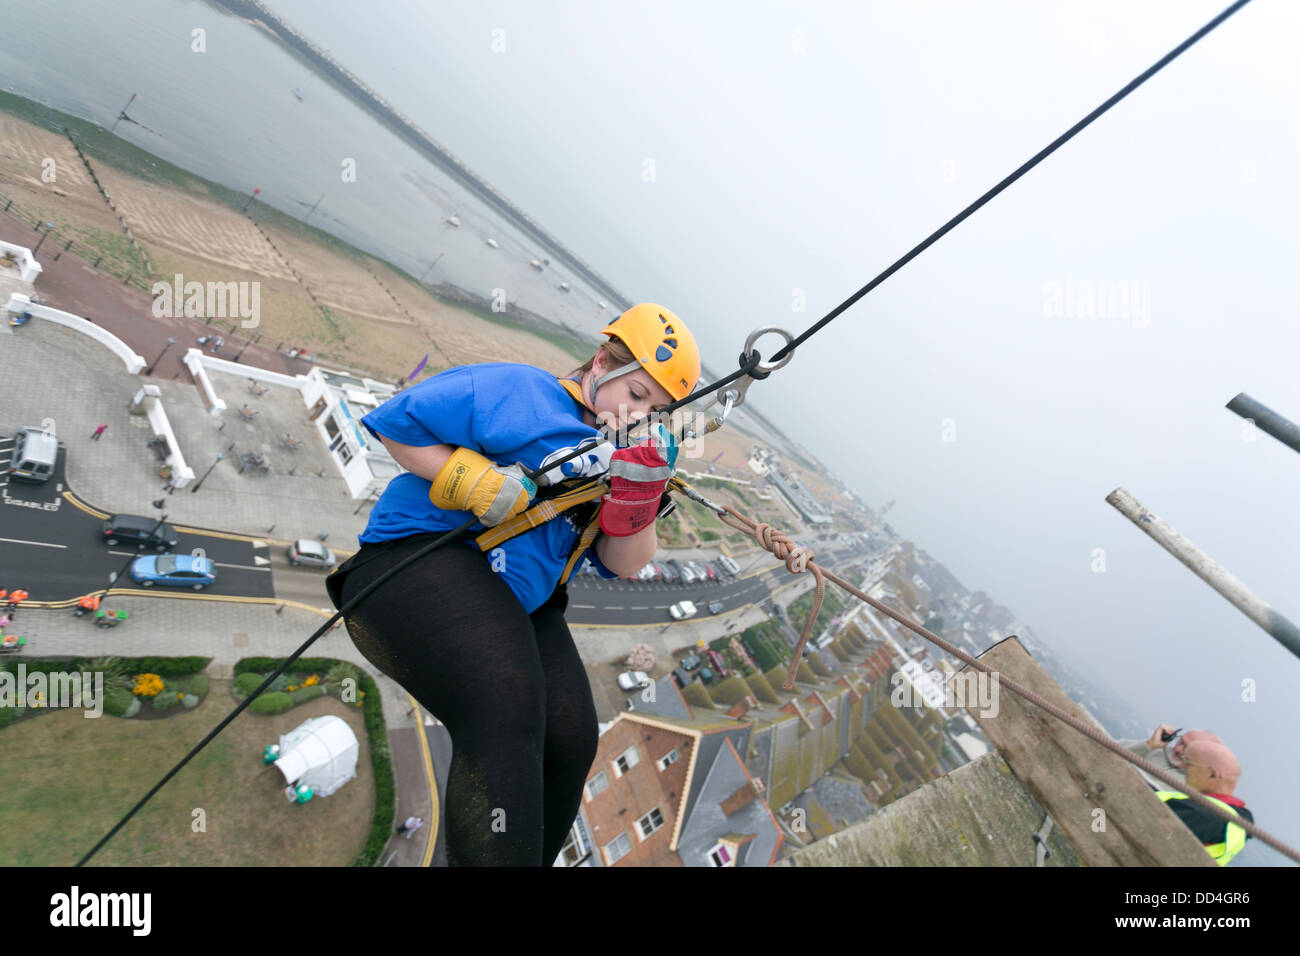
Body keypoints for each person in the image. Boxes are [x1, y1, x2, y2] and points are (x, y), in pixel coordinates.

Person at [326, 303, 700, 867]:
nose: (641, 414)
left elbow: (624, 563)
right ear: (601, 362)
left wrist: (638, 501)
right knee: (508, 704)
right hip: (422, 559)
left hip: (524, 601)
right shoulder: (517, 393)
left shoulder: (635, 457)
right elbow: (396, 422)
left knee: (572, 740)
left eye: (658, 409)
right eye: (639, 394)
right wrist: (466, 477)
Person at [1154, 740, 1253, 866]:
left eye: (1188, 764)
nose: (1183, 769)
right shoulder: (1235, 824)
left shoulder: (1203, 814)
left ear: (1212, 774)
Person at [1119, 724, 1222, 788]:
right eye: (1180, 742)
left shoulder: (1192, 787)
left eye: (1187, 749)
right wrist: (1149, 745)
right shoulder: (1156, 750)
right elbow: (1107, 749)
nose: (1178, 749)